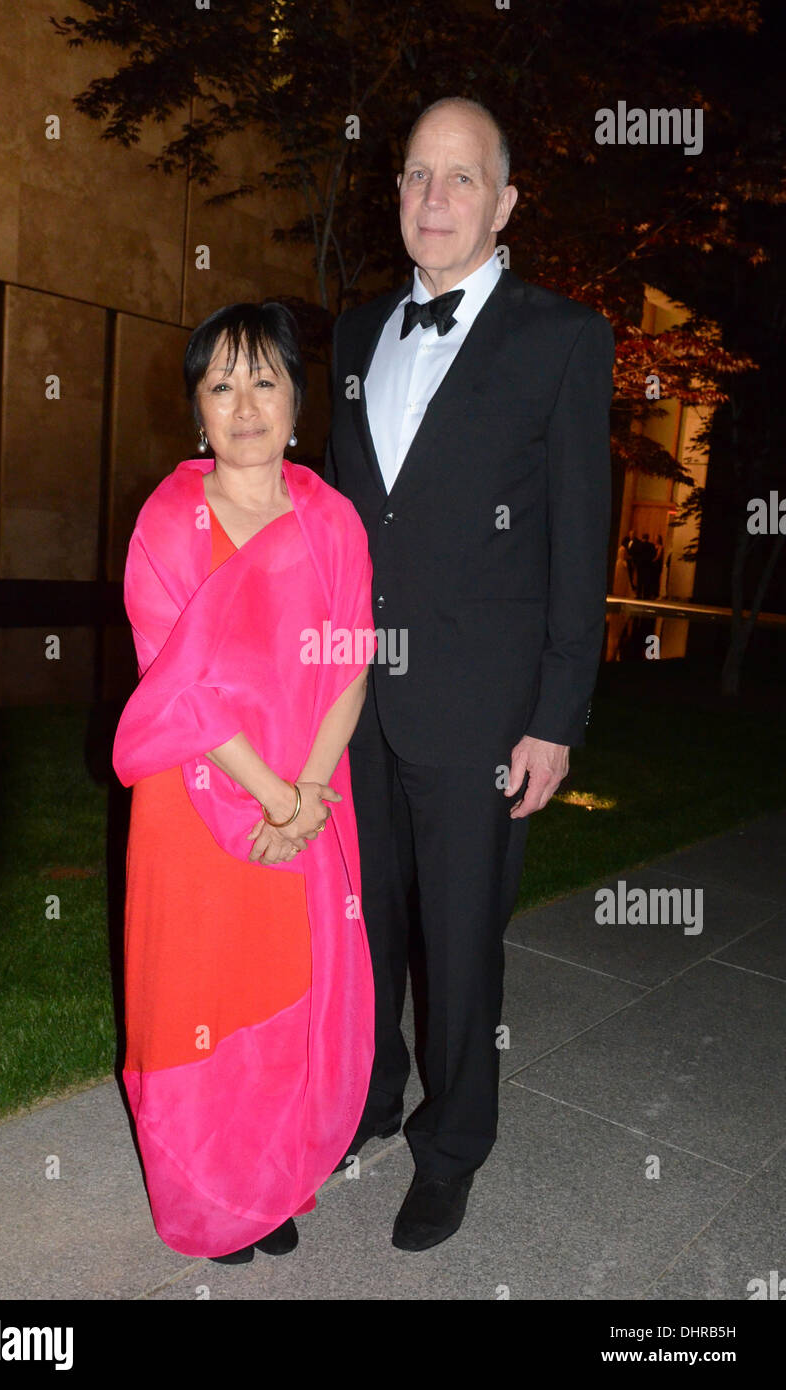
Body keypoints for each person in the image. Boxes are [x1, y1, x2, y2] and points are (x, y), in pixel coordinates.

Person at [324, 97, 614, 1250]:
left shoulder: (561, 337)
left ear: (502, 205)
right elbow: (342, 529)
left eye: (459, 179)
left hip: (485, 712)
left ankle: (453, 1146)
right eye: (413, 176)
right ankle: (369, 1103)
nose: (433, 199)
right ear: (394, 194)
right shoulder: (350, 337)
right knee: (366, 924)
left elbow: (579, 544)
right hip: (358, 703)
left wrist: (556, 714)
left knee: (459, 939)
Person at [112, 301, 377, 1263]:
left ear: (297, 402)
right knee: (197, 995)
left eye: (264, 379)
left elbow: (350, 664)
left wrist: (309, 795)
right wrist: (273, 794)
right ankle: (205, 1193)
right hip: (197, 803)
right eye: (221, 385)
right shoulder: (166, 525)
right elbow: (174, 688)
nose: (245, 403)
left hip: (309, 800)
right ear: (198, 412)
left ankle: (268, 1179)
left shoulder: (333, 521)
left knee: (284, 989)